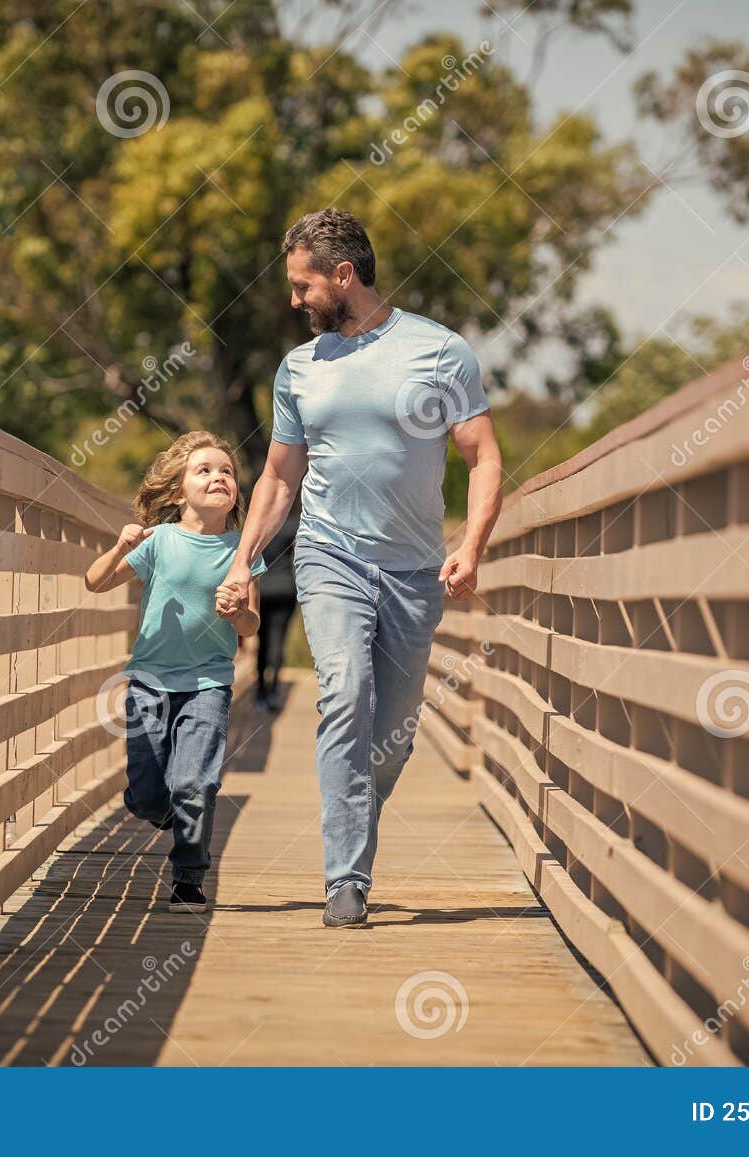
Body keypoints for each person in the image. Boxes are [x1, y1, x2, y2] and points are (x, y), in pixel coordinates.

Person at [219, 208, 503, 928]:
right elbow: (281, 479)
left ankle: (356, 818)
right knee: (344, 692)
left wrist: (470, 544)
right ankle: (345, 878)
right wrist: (244, 559)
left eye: (302, 285)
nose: (294, 301)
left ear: (344, 276)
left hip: (414, 569)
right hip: (329, 553)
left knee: (395, 730)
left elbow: (482, 455)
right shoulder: (300, 370)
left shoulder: (439, 353)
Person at [85, 431, 267, 914]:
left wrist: (236, 616)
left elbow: (252, 623)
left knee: (195, 783)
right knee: (146, 797)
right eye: (203, 470)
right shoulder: (159, 541)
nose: (218, 477)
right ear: (177, 491)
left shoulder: (242, 552)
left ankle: (188, 877)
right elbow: (96, 582)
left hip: (209, 682)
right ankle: (168, 812)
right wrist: (120, 546)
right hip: (149, 683)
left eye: (226, 471)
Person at [254, 504, 300, 712]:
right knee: (278, 641)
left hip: (261, 591)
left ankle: (260, 692)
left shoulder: (257, 526)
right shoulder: (292, 525)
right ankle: (273, 691)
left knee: (262, 643)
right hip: (285, 589)